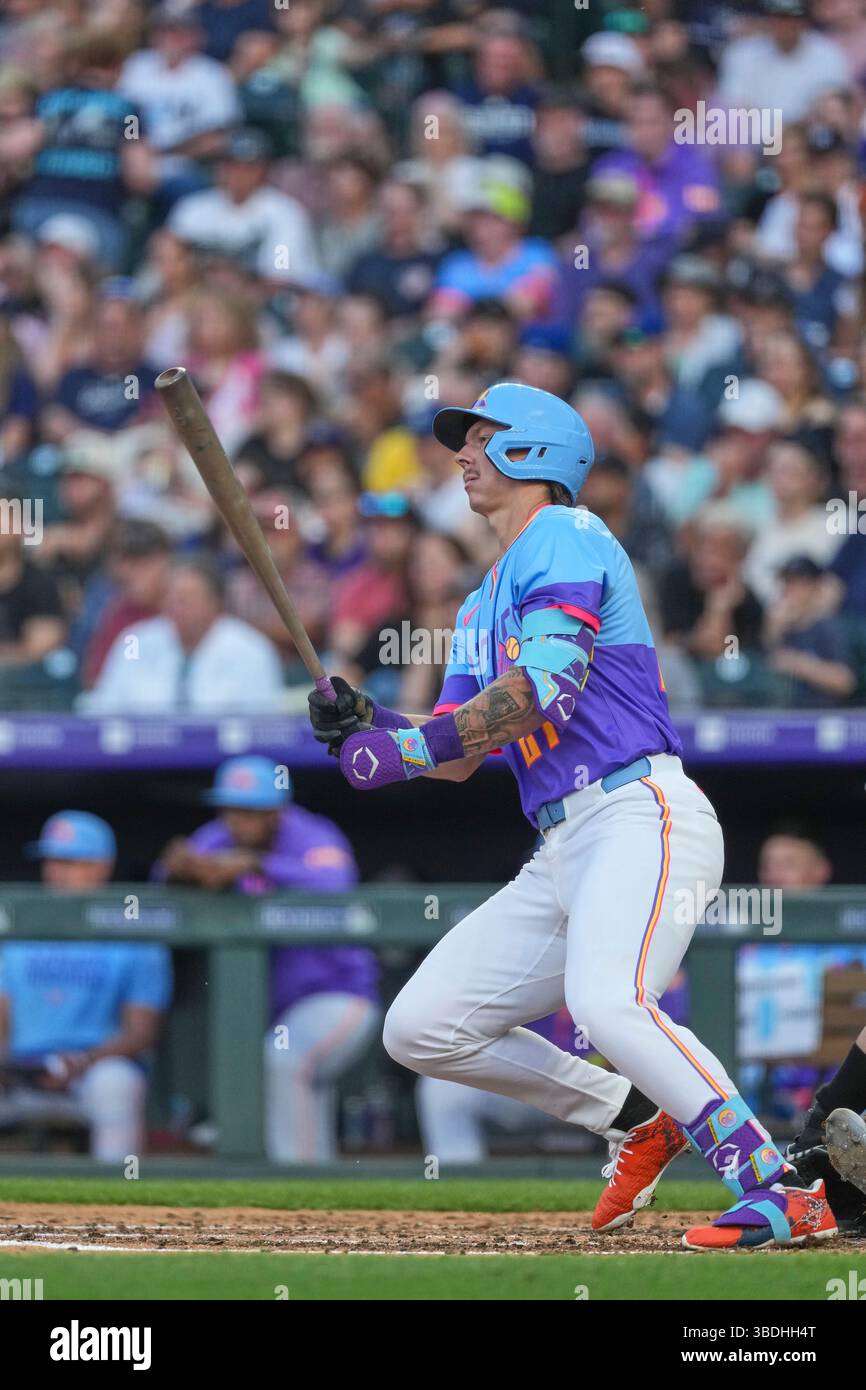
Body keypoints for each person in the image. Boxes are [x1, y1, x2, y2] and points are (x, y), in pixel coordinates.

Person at [309, 382, 837, 1249]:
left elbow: (542, 687)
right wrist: (370, 725)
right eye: (463, 439)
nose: (462, 454)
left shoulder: (567, 533)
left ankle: (782, 1186)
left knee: (609, 1001)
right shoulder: (480, 603)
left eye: (481, 437)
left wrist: (399, 751)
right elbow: (463, 754)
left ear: (537, 450)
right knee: (420, 1027)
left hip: (638, 808)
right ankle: (632, 1113)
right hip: (562, 841)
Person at [155, 756, 379, 1163]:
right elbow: (166, 877)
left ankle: (301, 1186)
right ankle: (324, 1195)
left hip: (339, 997)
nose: (237, 822)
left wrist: (259, 864)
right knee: (298, 1086)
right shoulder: (219, 837)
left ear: (276, 811)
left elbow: (336, 882)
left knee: (285, 1060)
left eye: (250, 812)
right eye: (230, 809)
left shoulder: (311, 834)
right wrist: (179, 872)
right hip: (276, 1011)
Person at [0, 811, 172, 1161]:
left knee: (116, 1085)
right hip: (21, 1072)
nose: (57, 872)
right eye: (51, 861)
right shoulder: (20, 926)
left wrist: (83, 1061)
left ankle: (118, 1202)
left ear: (101, 867)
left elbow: (141, 1032)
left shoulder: (133, 933)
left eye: (70, 862)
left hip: (93, 1070)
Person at [82, 556, 284, 713]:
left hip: (226, 761)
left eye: (186, 600)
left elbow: (264, 727)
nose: (176, 607)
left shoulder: (251, 649)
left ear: (215, 603)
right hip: (143, 761)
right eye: (171, 597)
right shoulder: (136, 640)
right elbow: (104, 710)